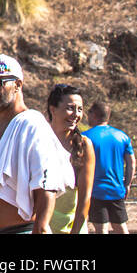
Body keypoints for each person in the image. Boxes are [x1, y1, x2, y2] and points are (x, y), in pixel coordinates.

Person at [0, 54, 74, 233]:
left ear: (18, 85)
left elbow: (46, 180)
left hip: (20, 229)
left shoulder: (30, 123)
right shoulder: (4, 126)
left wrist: (41, 227)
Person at [45, 84, 94, 234]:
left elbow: (85, 197)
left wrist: (75, 231)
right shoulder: (39, 140)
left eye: (80, 109)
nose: (76, 114)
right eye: (70, 108)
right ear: (53, 109)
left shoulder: (83, 145)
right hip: (41, 227)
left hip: (72, 229)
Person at [83, 101, 136, 234]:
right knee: (121, 227)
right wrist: (127, 184)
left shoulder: (85, 137)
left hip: (95, 191)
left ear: (94, 114)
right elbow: (131, 162)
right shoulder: (122, 136)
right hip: (116, 189)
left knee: (101, 229)